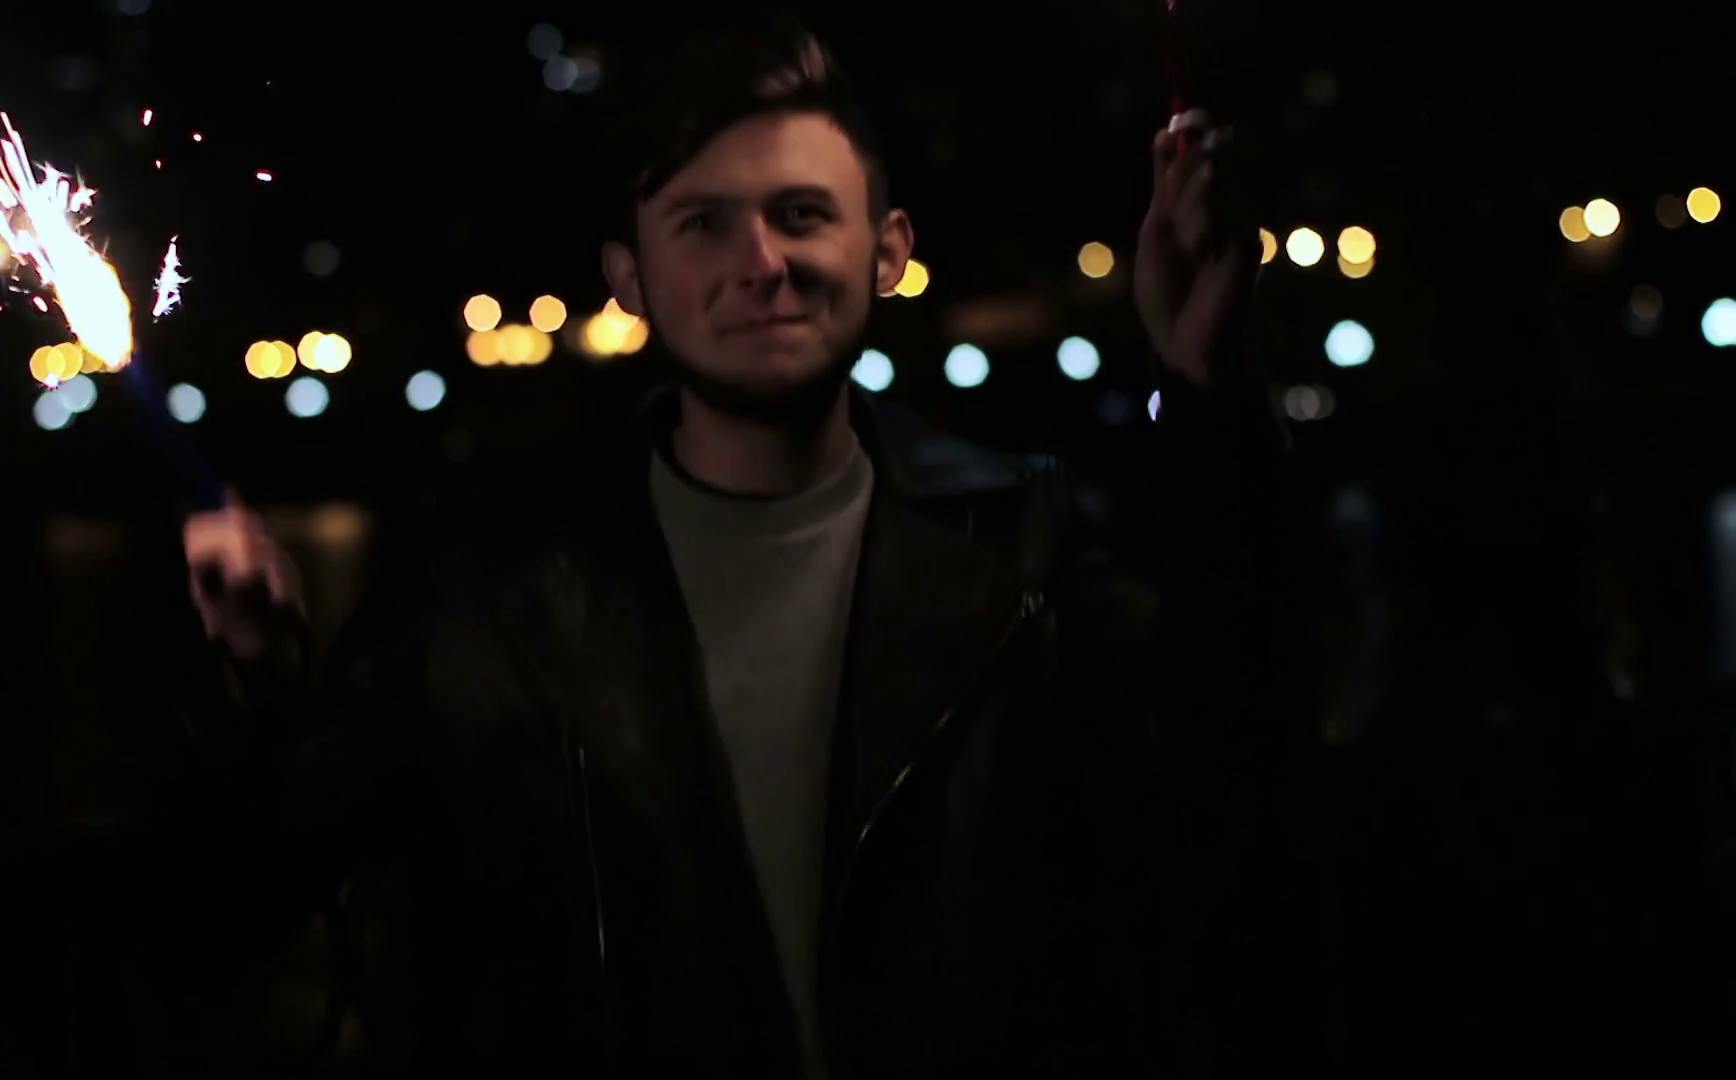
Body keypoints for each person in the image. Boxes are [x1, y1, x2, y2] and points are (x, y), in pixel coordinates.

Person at [184, 15, 1299, 1075]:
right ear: (630, 275)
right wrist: (263, 689)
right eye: (704, 222)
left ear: (887, 251)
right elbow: (243, 889)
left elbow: (1228, 762)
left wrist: (1207, 387)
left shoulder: (1028, 548)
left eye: (803, 213)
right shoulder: (486, 590)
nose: (761, 261)